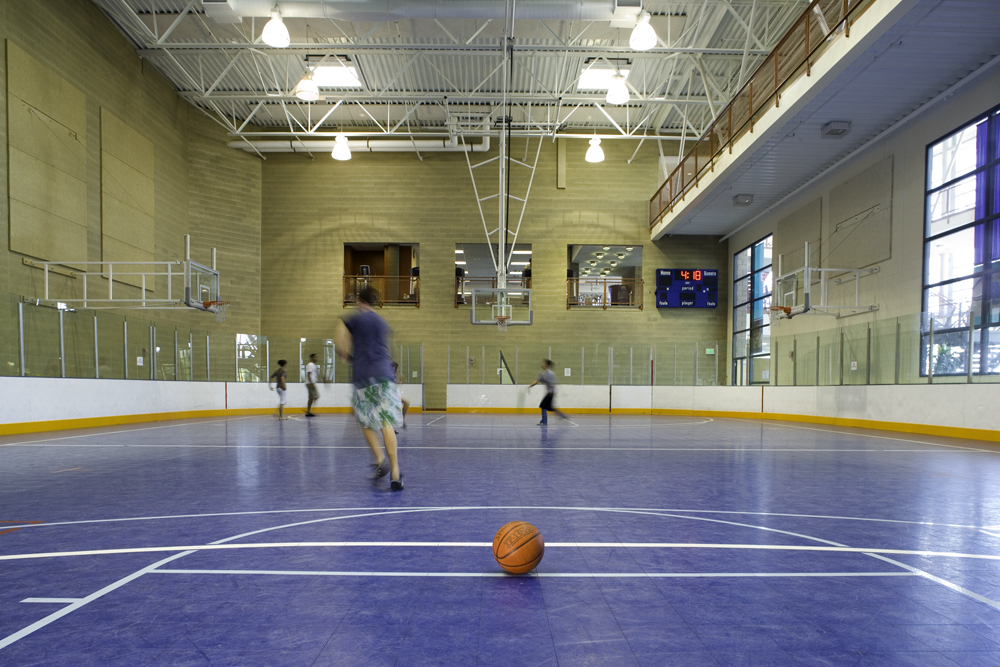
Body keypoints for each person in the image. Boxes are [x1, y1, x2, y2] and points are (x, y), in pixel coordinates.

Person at [335, 286, 404, 490]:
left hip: (364, 376)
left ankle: (379, 458)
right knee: (386, 422)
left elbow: (340, 345)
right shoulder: (382, 322)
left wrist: (348, 357)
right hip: (385, 374)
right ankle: (395, 473)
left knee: (365, 421)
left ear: (359, 300)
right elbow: (388, 349)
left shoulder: (352, 319)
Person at [528, 359, 569, 425]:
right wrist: (530, 386)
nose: (542, 364)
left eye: (544, 363)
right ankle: (562, 415)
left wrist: (557, 392)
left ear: (547, 365)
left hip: (551, 393)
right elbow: (536, 381)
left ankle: (544, 421)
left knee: (543, 406)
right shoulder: (542, 374)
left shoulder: (551, 374)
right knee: (548, 407)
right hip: (549, 393)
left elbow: (554, 383)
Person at [391, 362, 410, 428]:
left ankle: (402, 419)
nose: (398, 370)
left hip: (395, 394)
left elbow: (395, 385)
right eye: (397, 368)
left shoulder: (394, 375)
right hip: (391, 395)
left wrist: (400, 379)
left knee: (406, 403)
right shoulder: (390, 375)